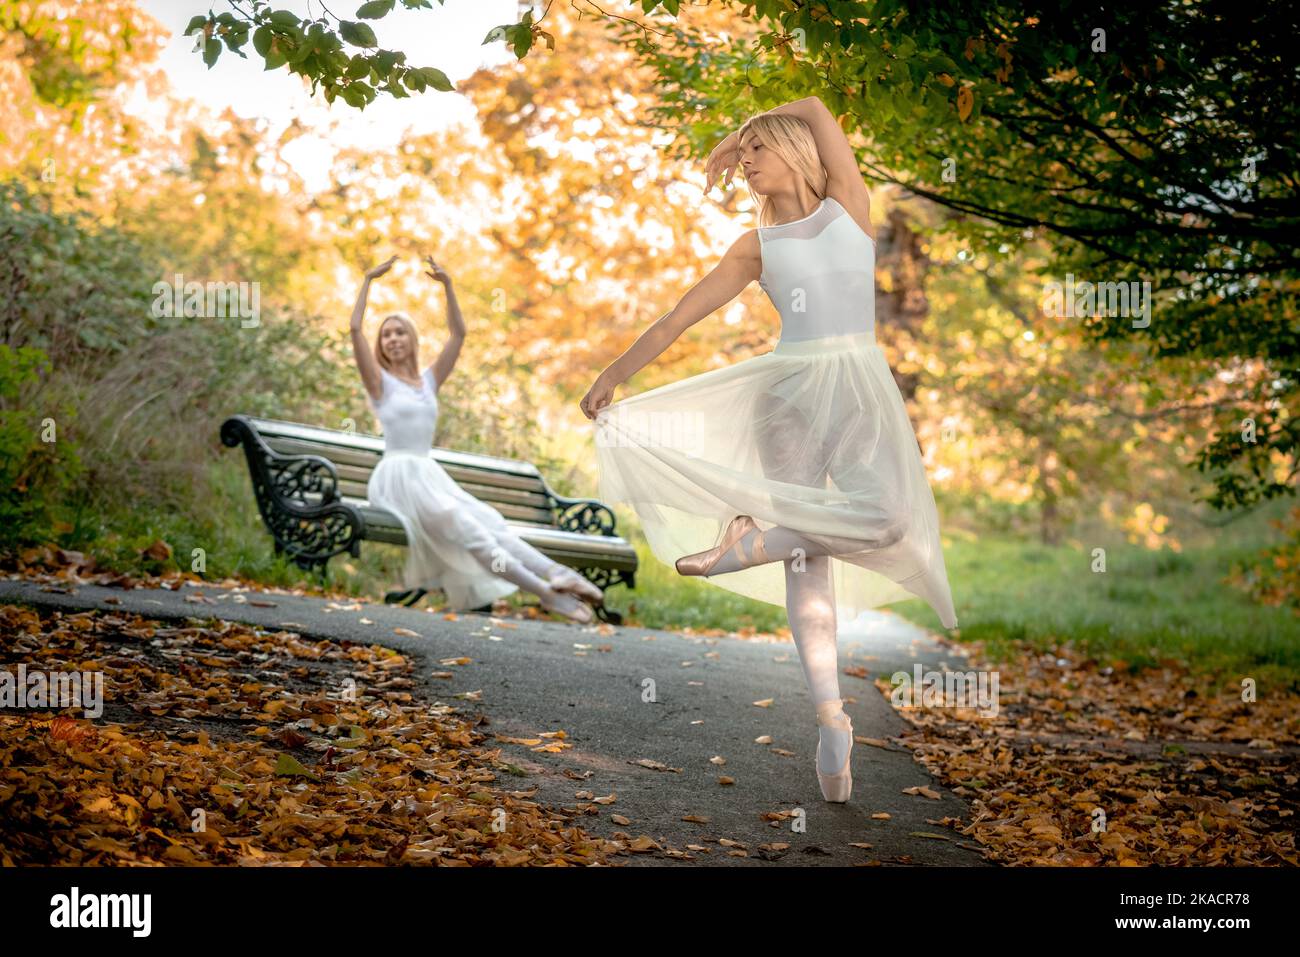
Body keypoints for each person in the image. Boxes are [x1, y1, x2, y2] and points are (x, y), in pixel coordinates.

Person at [580, 95, 958, 803]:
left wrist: (733, 132)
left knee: (888, 520)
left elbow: (813, 104)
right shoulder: (755, 246)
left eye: (760, 149)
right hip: (787, 397)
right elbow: (676, 319)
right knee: (807, 558)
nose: (748, 161)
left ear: (794, 149)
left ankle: (746, 544)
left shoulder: (848, 205)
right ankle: (831, 717)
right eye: (744, 152)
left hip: (858, 391)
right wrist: (613, 375)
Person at [352, 253, 603, 624]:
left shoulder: (428, 382)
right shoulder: (379, 383)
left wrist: (448, 285)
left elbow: (458, 335)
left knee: (491, 524)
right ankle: (547, 594)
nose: (392, 339)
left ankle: (558, 574)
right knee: (470, 530)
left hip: (428, 476)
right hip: (397, 479)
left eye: (399, 331)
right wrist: (368, 281)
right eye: (386, 334)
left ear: (413, 339)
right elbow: (355, 330)